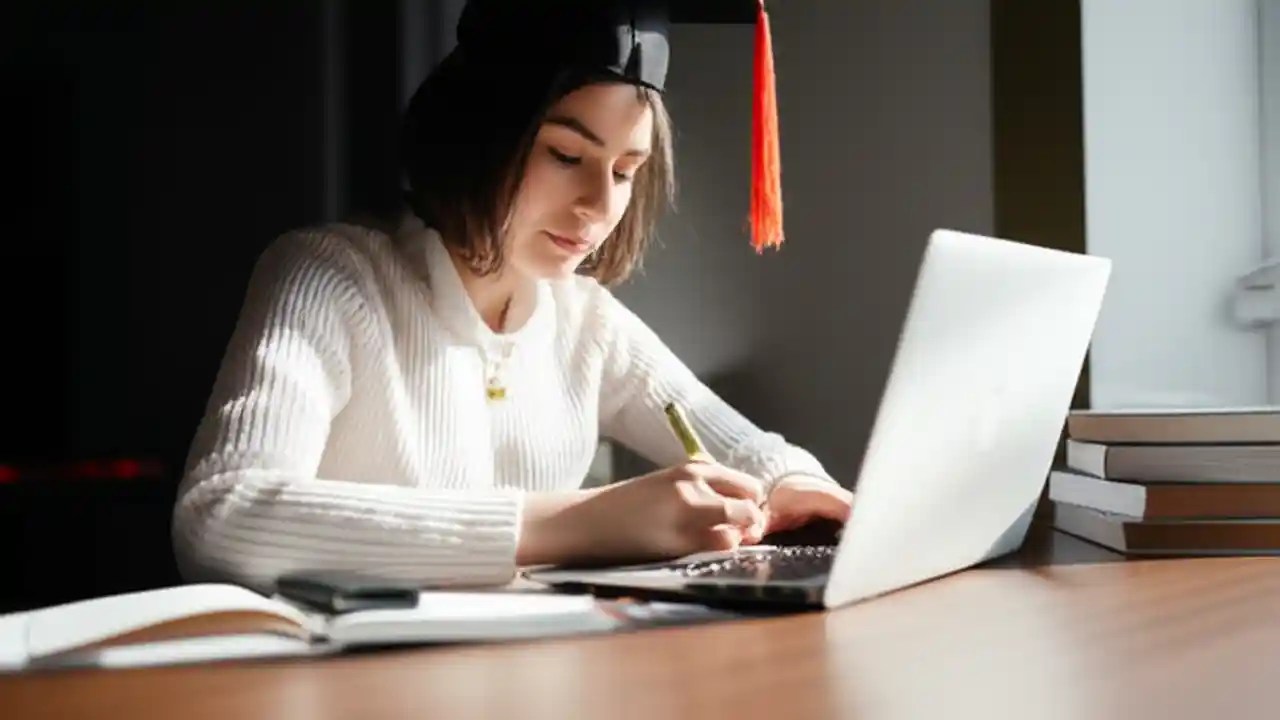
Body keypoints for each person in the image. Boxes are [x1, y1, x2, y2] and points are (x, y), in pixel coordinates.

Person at [172, 0, 853, 592]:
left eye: (624, 171)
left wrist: (793, 485)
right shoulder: (332, 280)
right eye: (566, 156)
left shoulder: (584, 322)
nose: (599, 205)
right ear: (479, 135)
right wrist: (579, 523)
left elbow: (754, 452)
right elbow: (222, 517)